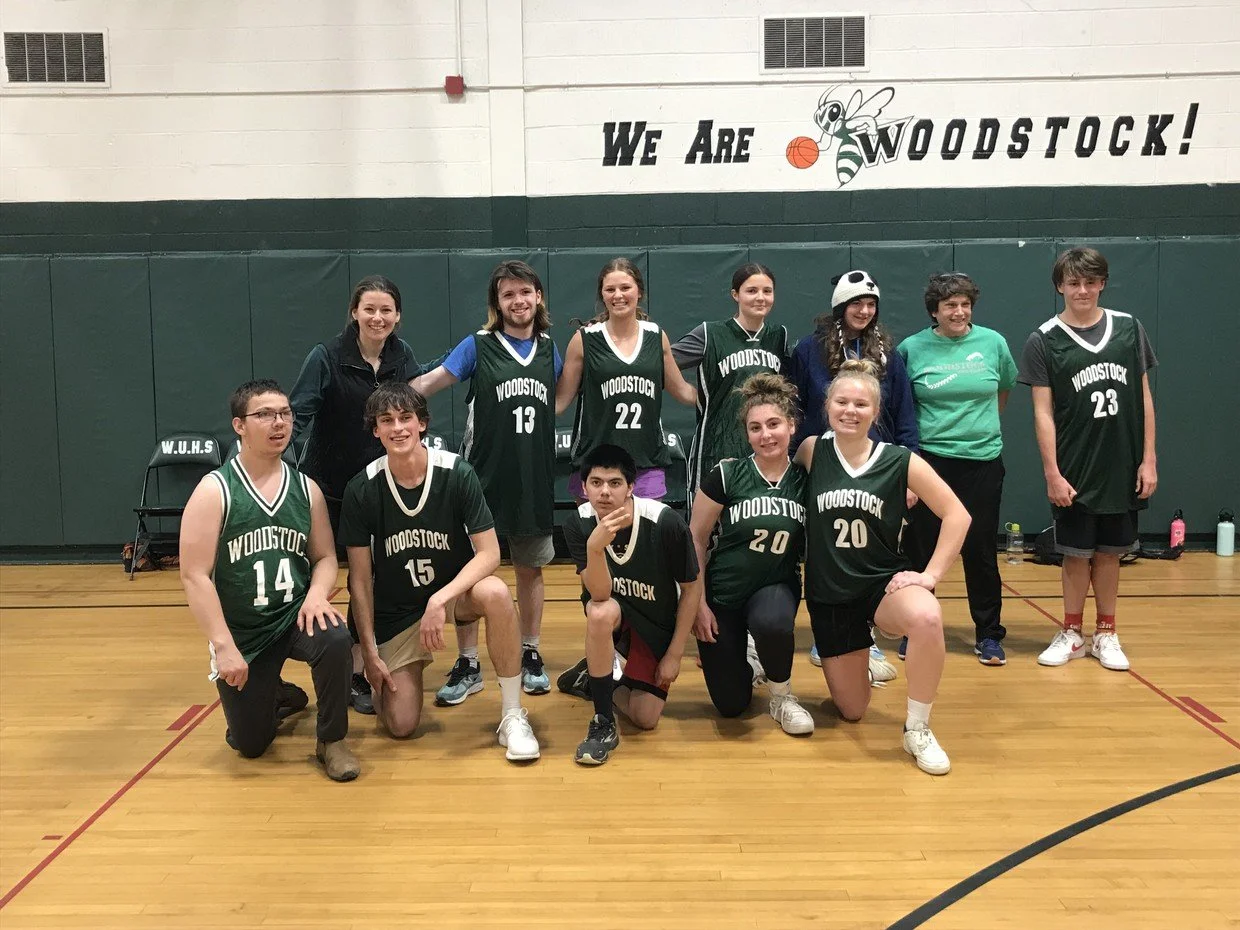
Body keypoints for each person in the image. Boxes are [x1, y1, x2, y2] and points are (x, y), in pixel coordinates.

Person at [338, 383, 540, 761]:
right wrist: (367, 650)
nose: (398, 428)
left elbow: (490, 553)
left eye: (405, 418)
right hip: (396, 610)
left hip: (450, 597)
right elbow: (361, 580)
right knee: (400, 725)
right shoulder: (362, 488)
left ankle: (513, 715)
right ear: (375, 430)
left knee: (495, 592)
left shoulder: (456, 473)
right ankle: (378, 674)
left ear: (422, 424)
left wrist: (441, 597)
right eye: (387, 420)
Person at [179, 379, 360, 782]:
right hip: (243, 631)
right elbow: (194, 575)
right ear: (239, 425)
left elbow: (326, 557)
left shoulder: (305, 488)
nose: (278, 423)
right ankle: (275, 693)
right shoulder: (215, 491)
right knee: (250, 746)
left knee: (334, 637)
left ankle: (331, 740)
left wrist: (317, 594)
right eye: (264, 414)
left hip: (294, 615)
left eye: (285, 414)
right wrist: (223, 646)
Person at [796, 360, 970, 775]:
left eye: (861, 404)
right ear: (827, 406)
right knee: (853, 711)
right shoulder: (810, 451)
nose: (850, 411)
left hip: (880, 586)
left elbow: (957, 515)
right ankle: (862, 654)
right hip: (830, 595)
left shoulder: (899, 460)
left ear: (875, 413)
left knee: (927, 615)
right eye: (842, 402)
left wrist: (929, 576)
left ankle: (918, 728)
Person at [412, 261, 561, 704]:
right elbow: (428, 384)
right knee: (473, 573)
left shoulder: (550, 348)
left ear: (538, 297)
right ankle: (469, 661)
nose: (518, 301)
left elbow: (562, 397)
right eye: (508, 295)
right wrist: (390, 404)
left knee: (530, 570)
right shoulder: (478, 345)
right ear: (497, 304)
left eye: (525, 292)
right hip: (482, 479)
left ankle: (530, 651)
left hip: (533, 477)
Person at [1018, 247, 1158, 672]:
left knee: (1112, 553)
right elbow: (1042, 413)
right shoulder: (1043, 339)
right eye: (1073, 282)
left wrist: (1148, 458)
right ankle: (1073, 632)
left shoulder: (1129, 328)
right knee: (1076, 554)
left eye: (1090, 281)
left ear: (1102, 283)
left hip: (1121, 461)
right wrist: (1052, 473)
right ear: (1060, 286)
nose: (1082, 290)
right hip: (1075, 466)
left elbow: (1144, 397)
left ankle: (1107, 633)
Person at [290, 275, 422, 716]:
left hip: (378, 492)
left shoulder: (404, 357)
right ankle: (322, 667)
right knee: (321, 582)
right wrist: (291, 478)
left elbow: (415, 415)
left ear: (397, 316)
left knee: (369, 581)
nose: (378, 317)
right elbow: (299, 414)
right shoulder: (325, 357)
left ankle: (358, 668)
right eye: (369, 309)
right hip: (327, 490)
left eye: (386, 310)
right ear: (354, 313)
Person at [788, 269, 915, 676]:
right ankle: (826, 638)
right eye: (856, 303)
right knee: (825, 552)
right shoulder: (809, 349)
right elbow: (794, 407)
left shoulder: (888, 354)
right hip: (825, 464)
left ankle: (866, 637)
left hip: (876, 469)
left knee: (873, 552)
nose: (864, 310)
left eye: (871, 303)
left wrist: (908, 470)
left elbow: (905, 414)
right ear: (839, 307)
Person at [897, 273, 1018, 666]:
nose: (959, 312)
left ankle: (988, 635)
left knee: (980, 550)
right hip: (930, 461)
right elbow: (901, 406)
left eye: (965, 304)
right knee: (921, 550)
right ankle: (915, 629)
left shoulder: (993, 343)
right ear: (935, 310)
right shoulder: (911, 349)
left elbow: (1003, 390)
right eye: (950, 305)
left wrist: (976, 429)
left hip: (982, 461)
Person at [560, 444, 702, 765]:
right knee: (600, 611)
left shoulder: (665, 523)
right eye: (596, 483)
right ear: (584, 488)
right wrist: (595, 549)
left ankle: (594, 676)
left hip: (654, 622)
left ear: (630, 488)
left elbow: (692, 588)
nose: (605, 492)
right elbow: (598, 594)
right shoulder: (578, 524)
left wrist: (675, 654)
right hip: (613, 617)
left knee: (645, 718)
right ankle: (602, 722)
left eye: (614, 483)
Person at [688, 373, 813, 735]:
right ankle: (750, 660)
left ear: (791, 425)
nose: (766, 435)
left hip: (774, 585)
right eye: (755, 428)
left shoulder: (806, 477)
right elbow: (695, 538)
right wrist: (699, 604)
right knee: (730, 706)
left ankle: (782, 697)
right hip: (724, 594)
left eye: (774, 424)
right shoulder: (727, 474)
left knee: (772, 622)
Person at [555, 258, 697, 502]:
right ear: (602, 294)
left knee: (647, 539)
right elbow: (559, 403)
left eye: (625, 288)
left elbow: (683, 391)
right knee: (596, 540)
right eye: (610, 289)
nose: (618, 295)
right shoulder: (584, 340)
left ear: (639, 291)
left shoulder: (656, 336)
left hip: (646, 461)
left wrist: (723, 392)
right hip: (596, 466)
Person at [672, 262, 791, 494]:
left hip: (764, 447)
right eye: (751, 291)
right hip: (716, 446)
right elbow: (663, 359)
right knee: (707, 526)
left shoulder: (779, 336)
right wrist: (688, 394)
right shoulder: (710, 334)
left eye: (767, 291)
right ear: (735, 294)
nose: (760, 298)